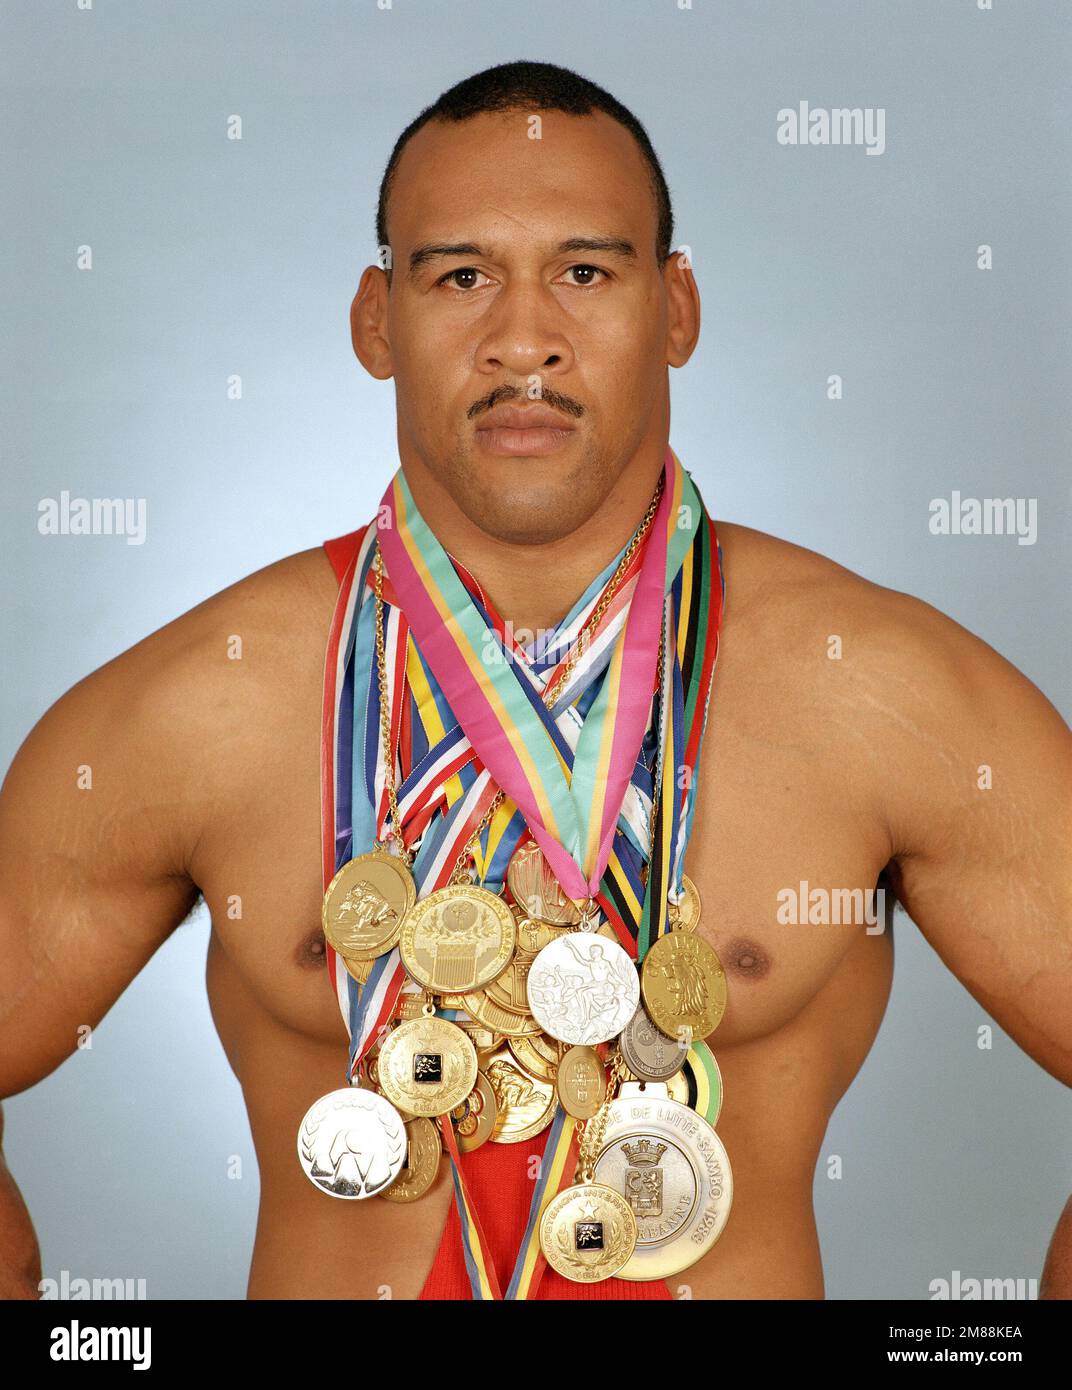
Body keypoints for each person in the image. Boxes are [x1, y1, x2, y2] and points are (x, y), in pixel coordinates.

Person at [1, 60, 1069, 1301]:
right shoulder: (196, 705)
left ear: (675, 309)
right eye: (460, 275)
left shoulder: (890, 695)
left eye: (585, 271)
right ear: (374, 319)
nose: (522, 338)